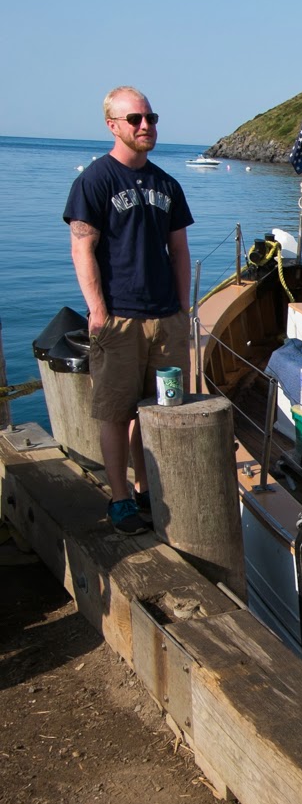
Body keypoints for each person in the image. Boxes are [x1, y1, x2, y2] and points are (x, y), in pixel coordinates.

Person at [64, 87, 193, 535]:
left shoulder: (167, 184)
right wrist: (97, 311)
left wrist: (183, 307)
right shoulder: (96, 181)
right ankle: (119, 499)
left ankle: (146, 490)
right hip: (118, 318)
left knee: (159, 409)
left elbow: (179, 250)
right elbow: (83, 247)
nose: (146, 126)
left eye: (151, 118)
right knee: (116, 413)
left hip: (166, 318)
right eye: (135, 118)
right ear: (113, 125)